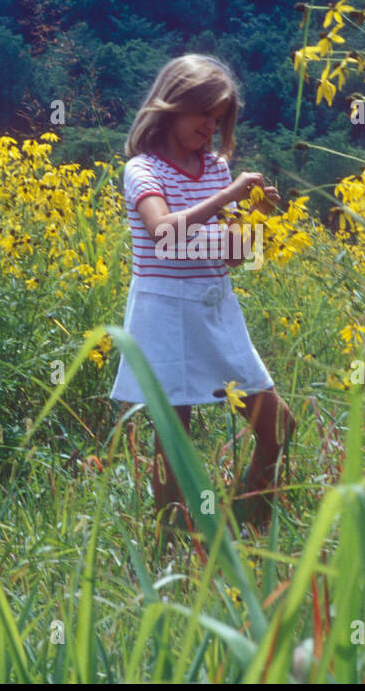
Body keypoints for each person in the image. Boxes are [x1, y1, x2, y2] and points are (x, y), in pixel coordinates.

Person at [109, 54, 297, 538]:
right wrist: (228, 197)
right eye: (203, 114)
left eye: (220, 117)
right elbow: (163, 235)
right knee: (174, 440)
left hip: (215, 309)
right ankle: (173, 540)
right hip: (163, 313)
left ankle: (245, 514)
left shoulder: (215, 168)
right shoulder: (142, 169)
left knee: (278, 426)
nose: (211, 126)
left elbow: (233, 256)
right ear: (170, 108)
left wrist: (255, 220)